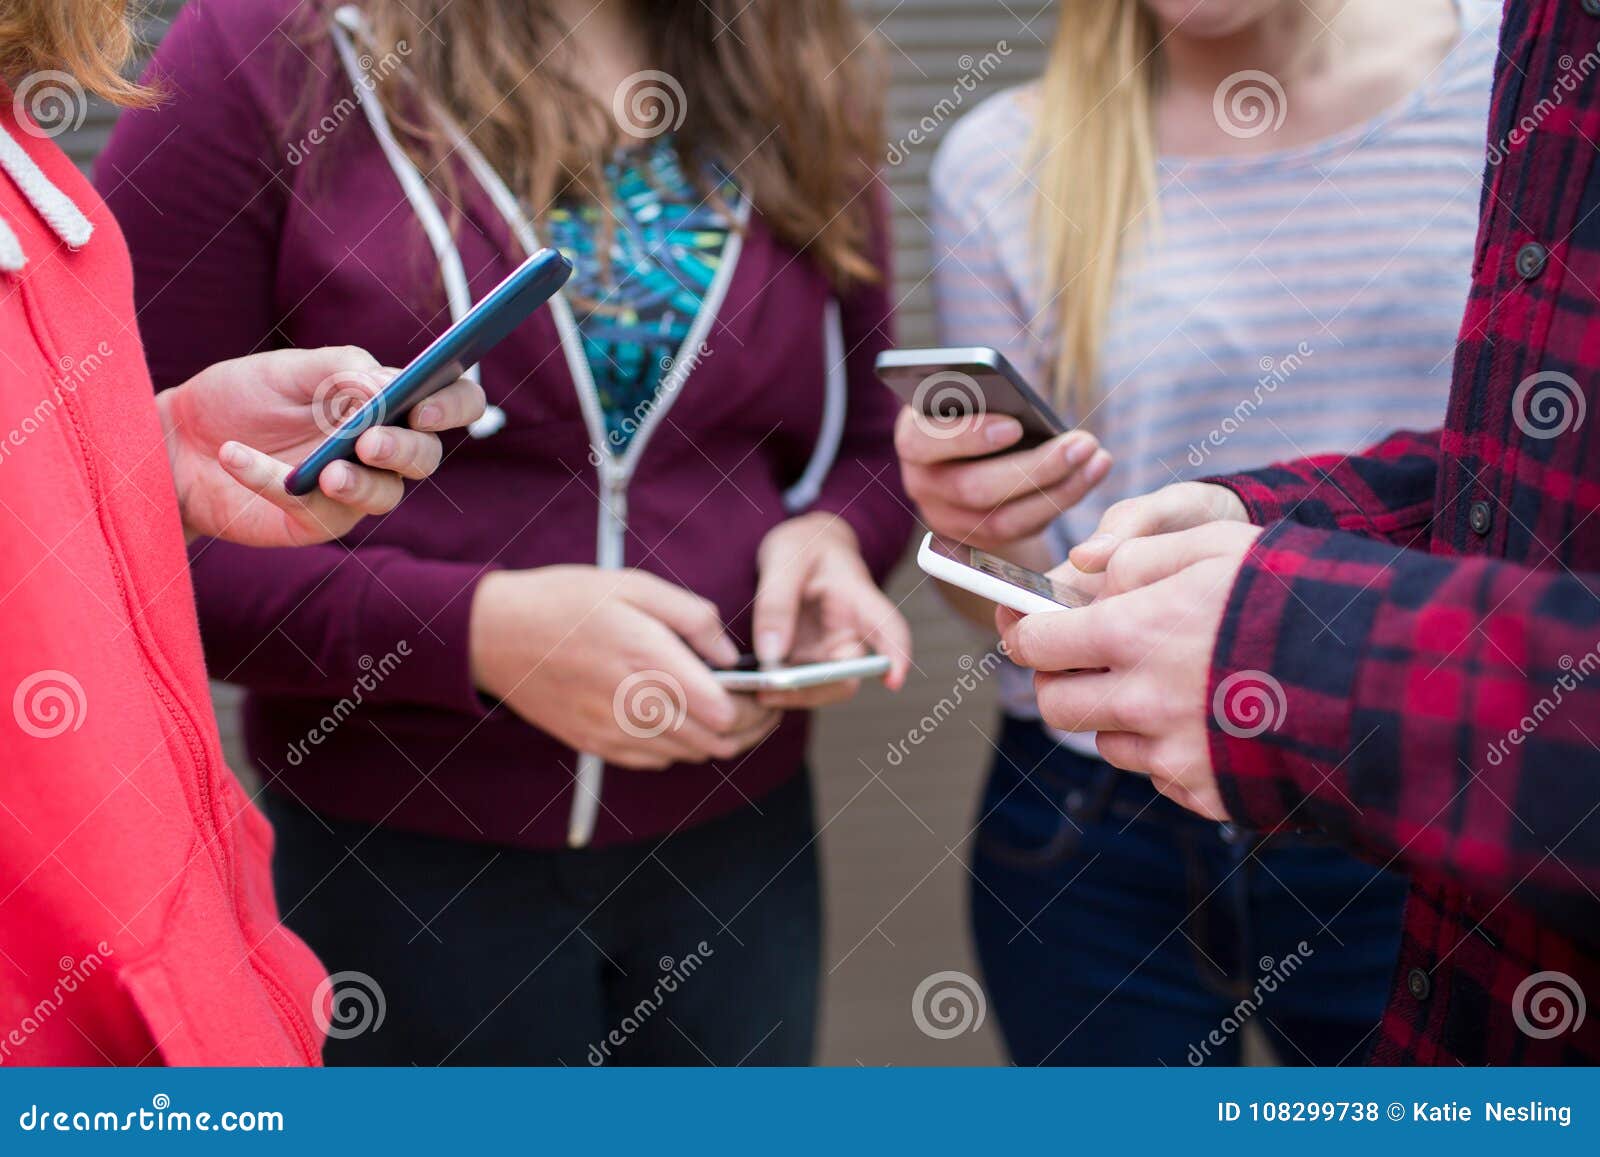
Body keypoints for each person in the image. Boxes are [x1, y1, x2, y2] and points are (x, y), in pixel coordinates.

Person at [99, 0, 913, 1066]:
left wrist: (833, 541)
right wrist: (476, 631)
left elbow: (869, 447)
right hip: (402, 867)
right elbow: (116, 516)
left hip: (738, 850)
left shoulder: (788, 50)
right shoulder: (269, 49)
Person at [895, 0, 1499, 1064]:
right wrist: (979, 530)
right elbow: (1008, 610)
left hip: (1413, 801)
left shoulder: (1509, 75)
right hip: (1098, 831)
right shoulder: (1002, 163)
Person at [0, 0, 485, 1065]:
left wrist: (152, 456)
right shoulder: (252, 50)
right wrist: (477, 629)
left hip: (189, 1007)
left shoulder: (29, 168)